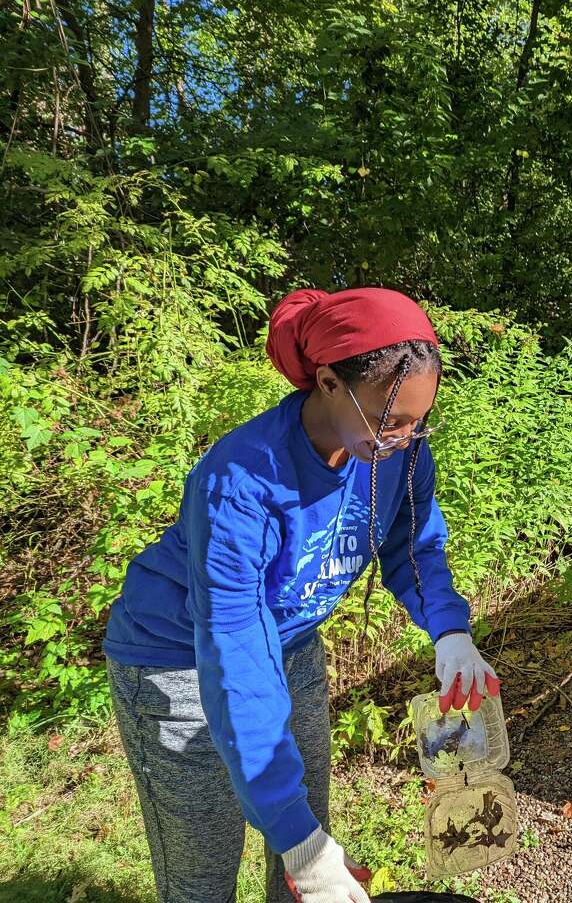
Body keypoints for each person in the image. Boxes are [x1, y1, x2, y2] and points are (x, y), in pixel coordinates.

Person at [103, 287, 502, 903]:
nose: (405, 436)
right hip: (175, 661)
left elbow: (413, 542)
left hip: (291, 646)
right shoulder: (239, 480)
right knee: (203, 871)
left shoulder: (398, 452)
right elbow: (234, 646)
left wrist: (449, 630)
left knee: (304, 854)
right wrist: (296, 835)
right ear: (328, 384)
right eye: (390, 419)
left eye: (419, 420)